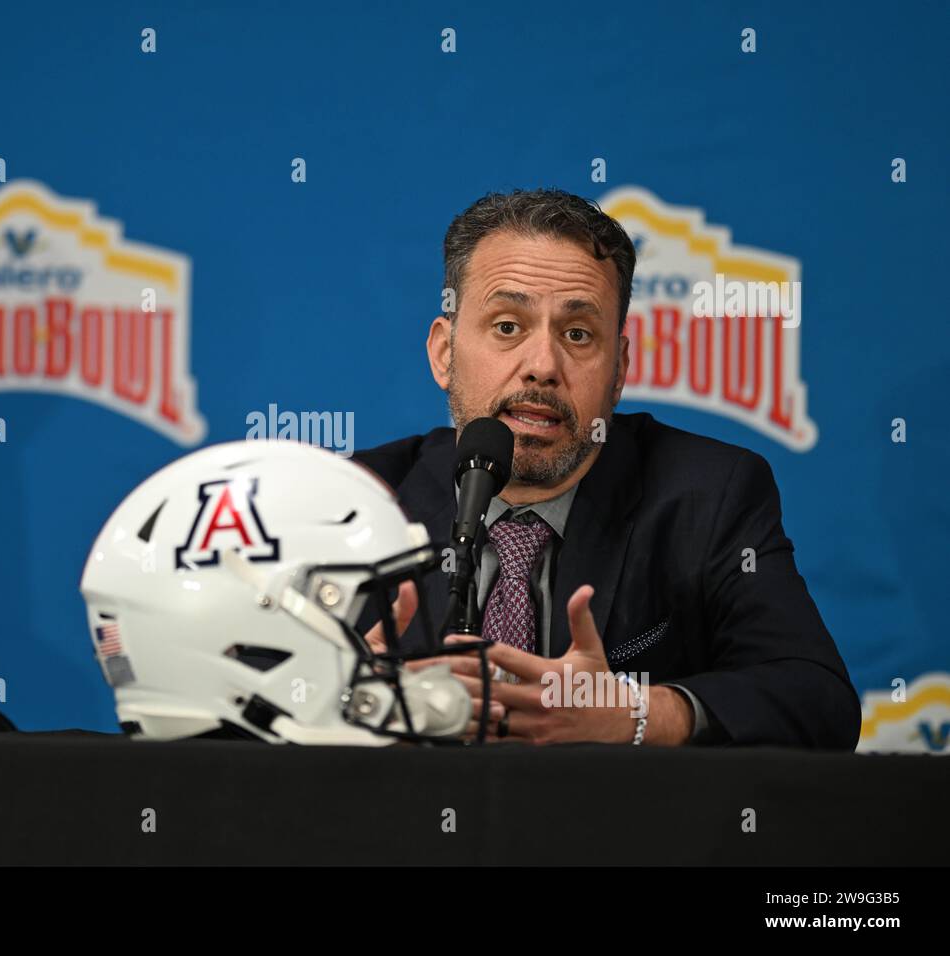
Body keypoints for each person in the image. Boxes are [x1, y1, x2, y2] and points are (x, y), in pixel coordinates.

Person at [353, 189, 860, 749]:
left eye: (577, 335)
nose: (542, 367)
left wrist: (638, 715)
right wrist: (344, 695)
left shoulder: (709, 494)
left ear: (619, 371)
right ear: (445, 353)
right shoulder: (359, 499)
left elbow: (817, 698)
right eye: (507, 326)